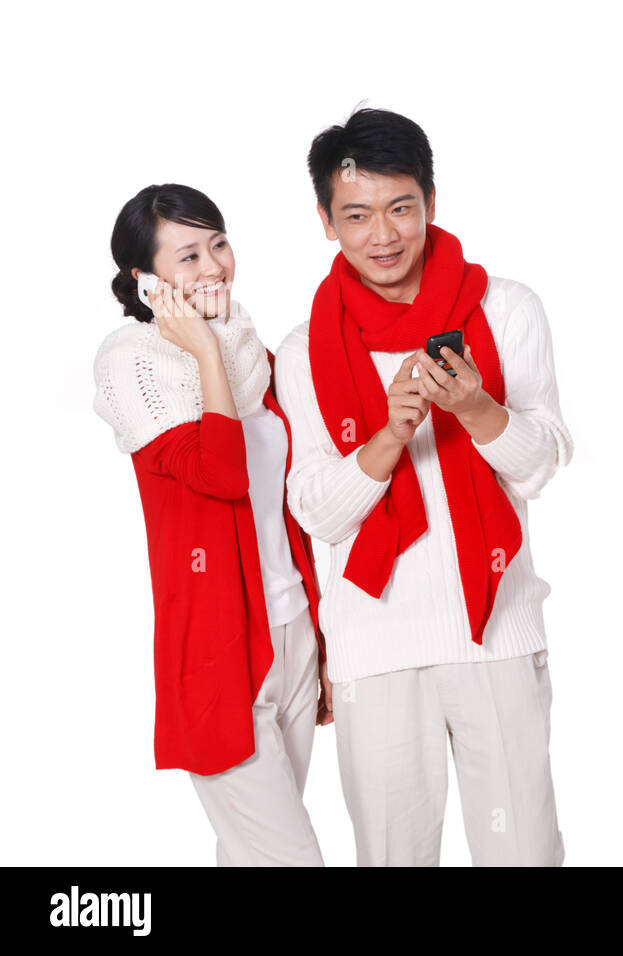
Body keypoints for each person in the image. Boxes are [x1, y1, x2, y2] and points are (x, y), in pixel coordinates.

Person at [274, 108, 572, 867]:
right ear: (325, 221)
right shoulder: (305, 350)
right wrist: (387, 439)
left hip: (496, 629)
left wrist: (476, 408)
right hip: (372, 642)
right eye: (358, 215)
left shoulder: (504, 308)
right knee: (392, 858)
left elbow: (540, 464)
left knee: (524, 854)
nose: (384, 235)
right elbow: (314, 509)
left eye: (401, 207)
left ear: (431, 202)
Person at [93, 184, 328, 866]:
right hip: (218, 649)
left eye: (218, 244)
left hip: (293, 637)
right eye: (188, 255)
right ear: (146, 281)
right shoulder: (131, 364)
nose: (215, 267)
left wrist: (325, 636)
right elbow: (221, 474)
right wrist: (200, 349)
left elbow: (290, 505)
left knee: (248, 854)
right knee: (291, 859)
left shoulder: (252, 352)